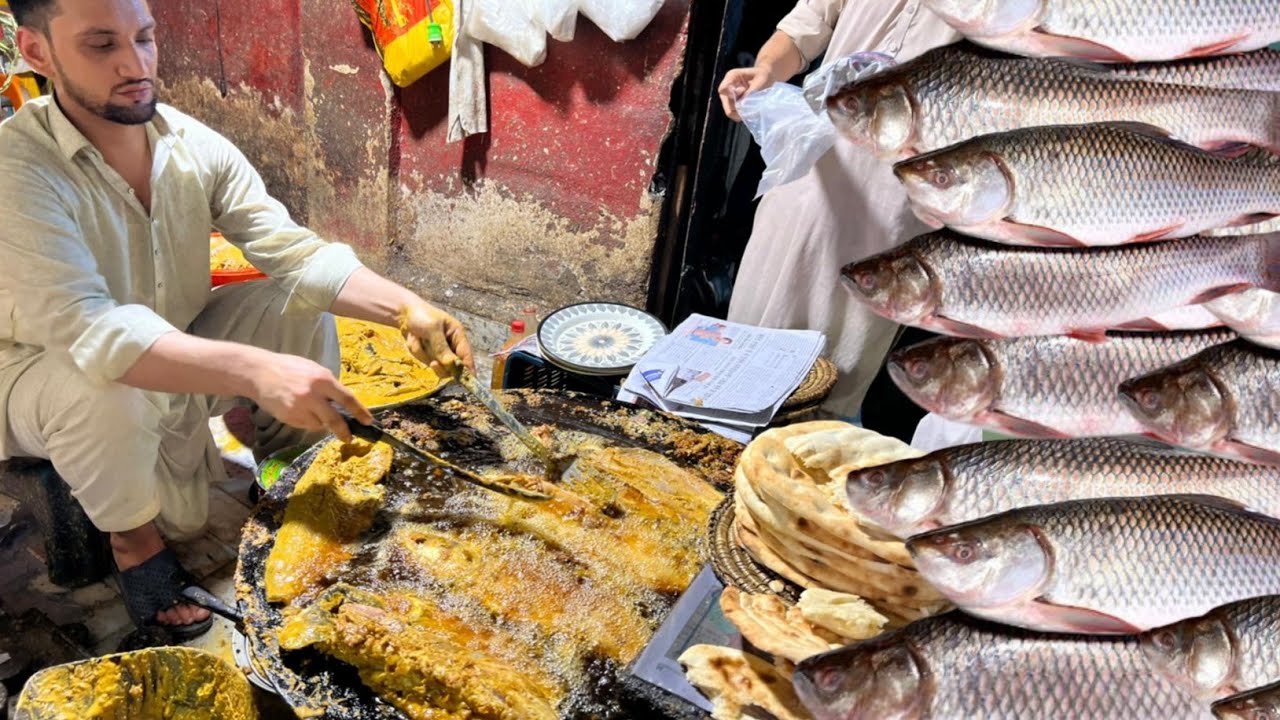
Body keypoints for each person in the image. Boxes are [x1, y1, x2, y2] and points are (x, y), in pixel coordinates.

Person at [0, 0, 474, 638]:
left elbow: (294, 253)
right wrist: (256, 372)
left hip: (169, 343)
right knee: (100, 388)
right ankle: (134, 545)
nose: (135, 63)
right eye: (100, 45)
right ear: (35, 52)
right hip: (41, 374)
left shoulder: (188, 143)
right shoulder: (17, 168)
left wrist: (406, 308)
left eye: (144, 39)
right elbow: (92, 332)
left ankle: (292, 475)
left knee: (294, 302)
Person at [718, 0, 958, 420]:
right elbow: (808, 23)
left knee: (846, 348)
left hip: (898, 187)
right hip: (813, 161)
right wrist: (767, 70)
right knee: (755, 318)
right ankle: (723, 429)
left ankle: (812, 453)